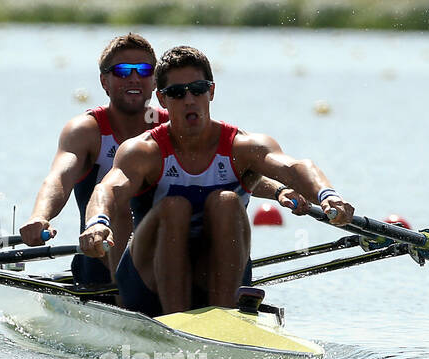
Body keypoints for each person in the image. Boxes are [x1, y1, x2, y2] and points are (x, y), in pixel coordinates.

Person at [80, 45, 354, 316]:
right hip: (147, 281)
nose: (189, 99)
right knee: (174, 206)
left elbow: (295, 167)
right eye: (177, 93)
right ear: (162, 100)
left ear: (211, 91)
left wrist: (327, 195)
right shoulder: (144, 151)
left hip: (213, 272)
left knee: (227, 201)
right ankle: (178, 319)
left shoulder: (243, 147)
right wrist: (96, 223)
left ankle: (223, 317)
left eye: (197, 89)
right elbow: (108, 190)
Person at [18, 33, 168, 286]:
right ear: (104, 81)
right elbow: (59, 178)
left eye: (144, 70)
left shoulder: (172, 125)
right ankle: (127, 294)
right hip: (99, 261)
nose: (134, 77)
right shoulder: (86, 130)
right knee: (120, 199)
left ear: (154, 81)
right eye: (122, 71)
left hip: (164, 254)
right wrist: (39, 216)